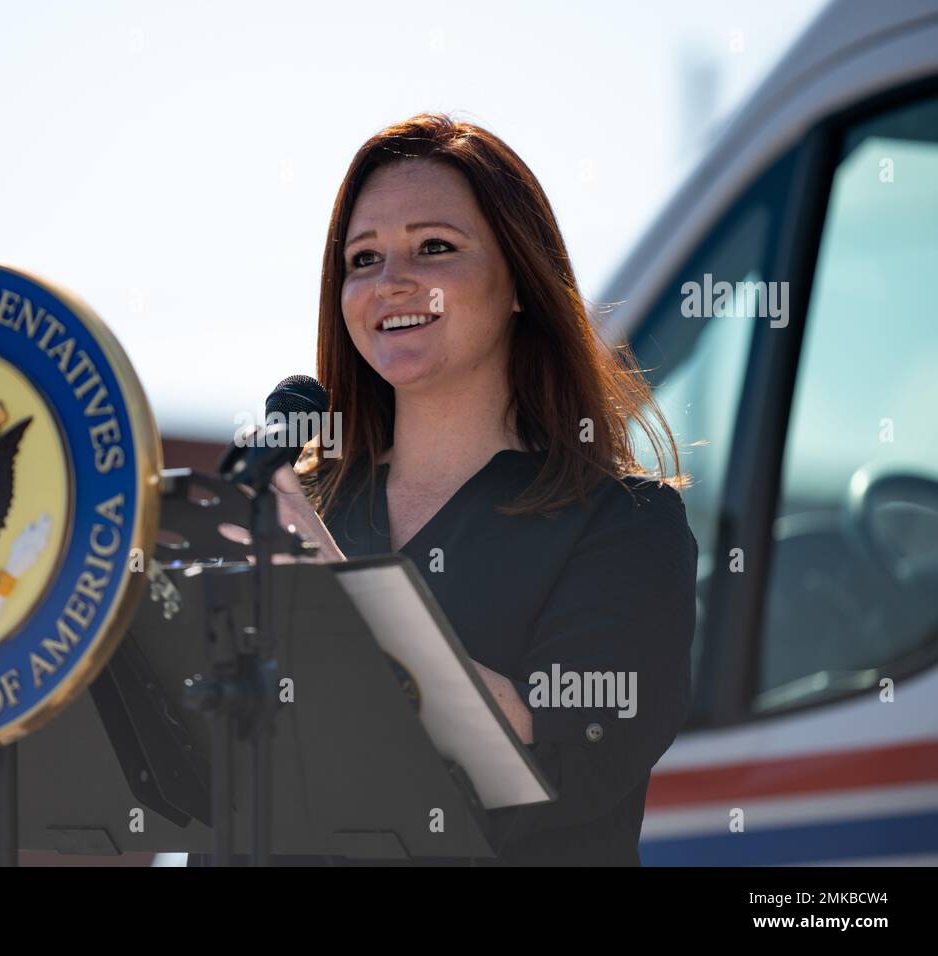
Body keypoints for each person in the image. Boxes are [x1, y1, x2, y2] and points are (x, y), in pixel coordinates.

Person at [194, 112, 697, 867]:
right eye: (363, 260)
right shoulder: (308, 507)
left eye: (435, 247)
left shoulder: (626, 526)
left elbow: (559, 763)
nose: (391, 282)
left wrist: (333, 589)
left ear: (522, 282)